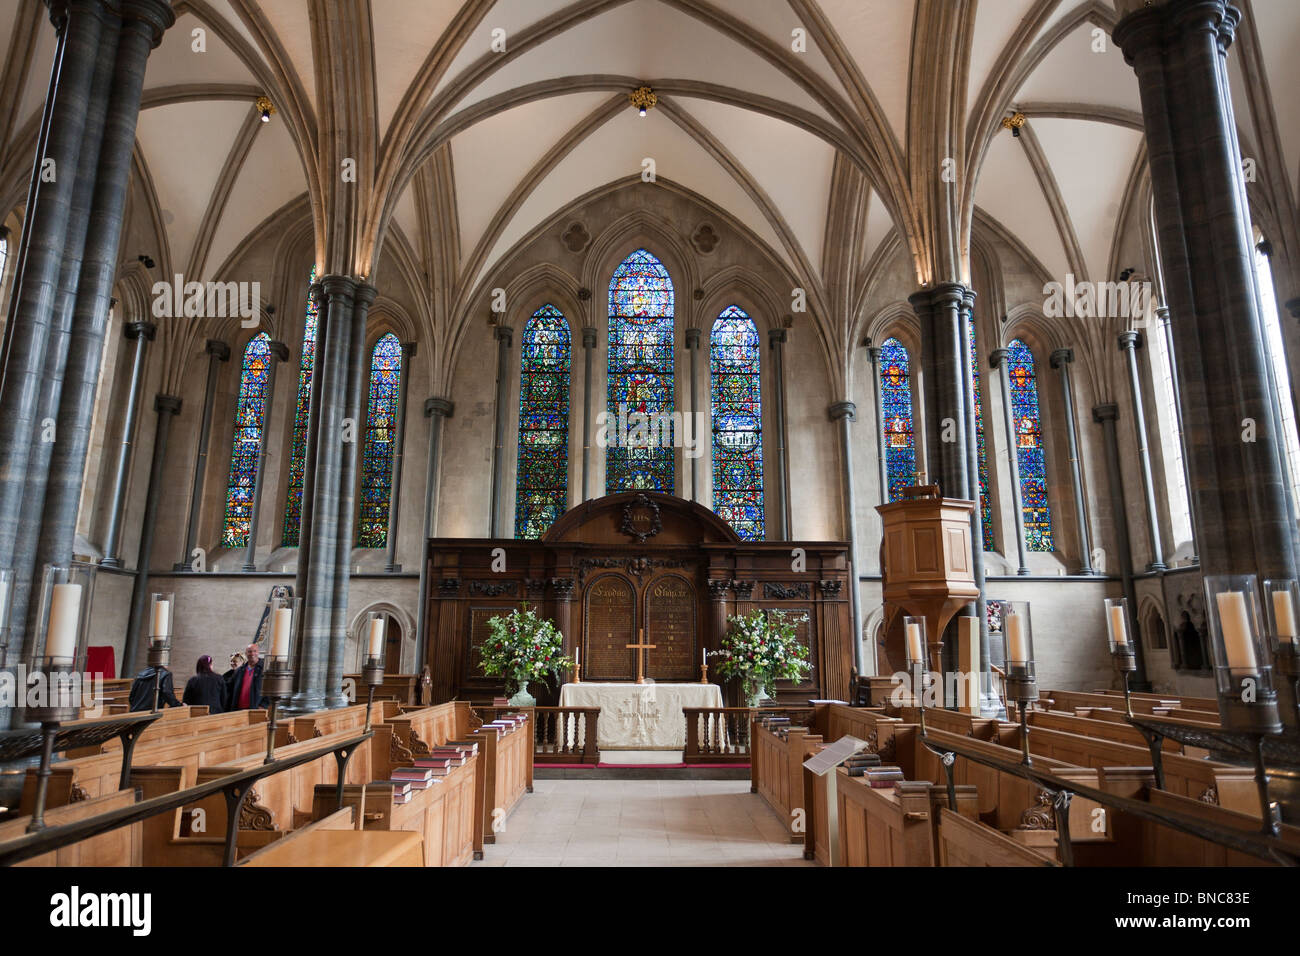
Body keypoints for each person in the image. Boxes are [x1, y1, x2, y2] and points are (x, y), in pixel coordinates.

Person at [227, 643, 267, 710]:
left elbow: (270, 689)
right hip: (238, 708)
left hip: (255, 709)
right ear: (246, 653)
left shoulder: (265, 669)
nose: (252, 654)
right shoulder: (239, 670)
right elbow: (229, 687)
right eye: (249, 651)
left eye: (255, 651)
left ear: (258, 652)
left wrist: (263, 705)